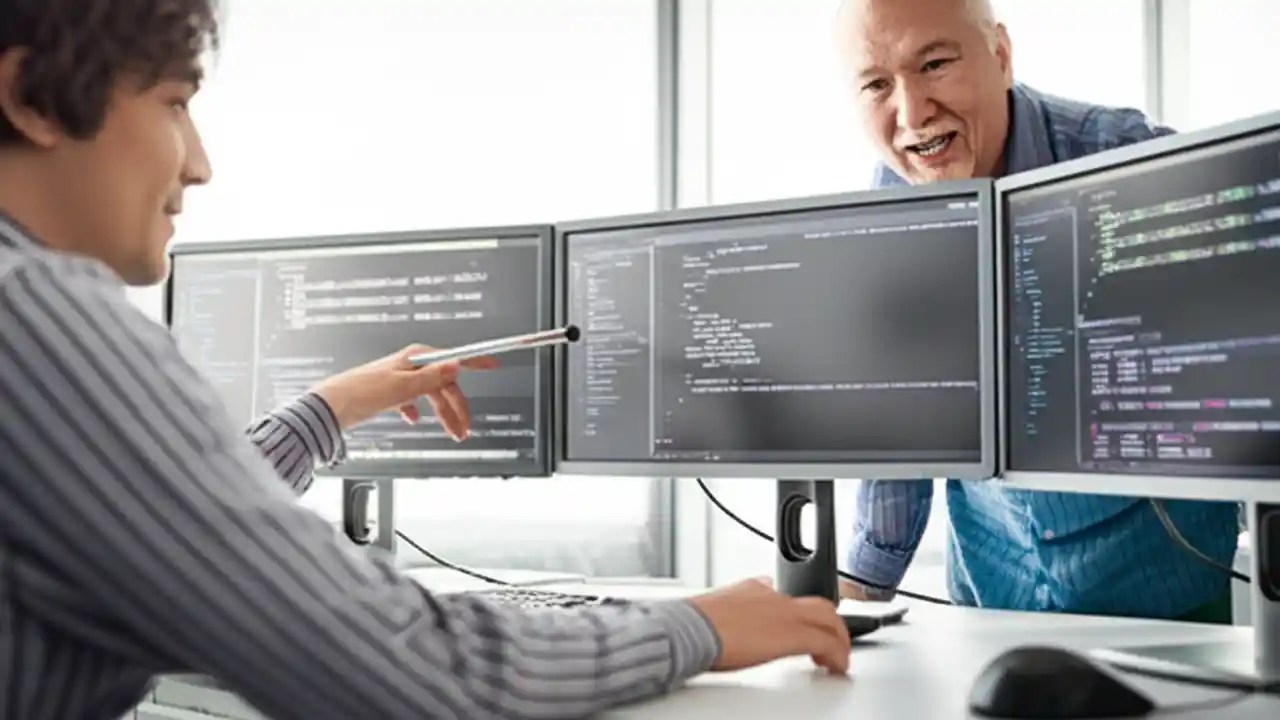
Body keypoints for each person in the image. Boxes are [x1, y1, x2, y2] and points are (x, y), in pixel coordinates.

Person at [0, 2, 851, 718]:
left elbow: (155, 519)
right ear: (31, 97)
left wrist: (329, 410)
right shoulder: (36, 317)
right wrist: (698, 626)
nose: (200, 162)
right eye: (174, 103)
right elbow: (406, 667)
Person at [835, 0, 1240, 622]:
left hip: (1159, 595)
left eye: (935, 64)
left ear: (1000, 55)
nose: (911, 114)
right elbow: (910, 410)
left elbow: (1246, 364)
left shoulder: (1131, 157)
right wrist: (858, 595)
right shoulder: (894, 199)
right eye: (877, 85)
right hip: (993, 601)